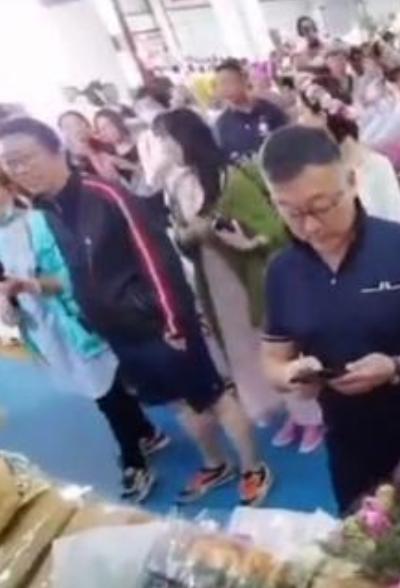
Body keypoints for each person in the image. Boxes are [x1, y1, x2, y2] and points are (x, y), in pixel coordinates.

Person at [0, 117, 273, 507]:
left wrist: (174, 321)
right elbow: (81, 272)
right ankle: (216, 464)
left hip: (161, 324)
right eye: (10, 163)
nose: (20, 169)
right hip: (119, 332)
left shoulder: (105, 195)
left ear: (57, 149)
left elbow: (155, 259)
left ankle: (253, 467)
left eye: (26, 157)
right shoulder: (48, 208)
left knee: (212, 396)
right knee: (175, 403)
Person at [259, 125, 400, 510]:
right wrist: (293, 375)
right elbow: (273, 360)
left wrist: (397, 366)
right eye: (291, 213)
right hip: (348, 438)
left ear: (351, 182)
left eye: (321, 207)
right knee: (371, 554)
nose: (309, 226)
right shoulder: (282, 271)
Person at [0, 171, 168, 502]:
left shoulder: (40, 222)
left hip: (76, 318)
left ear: (8, 187)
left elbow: (71, 275)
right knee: (101, 386)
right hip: (41, 329)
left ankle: (133, 461)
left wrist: (29, 285)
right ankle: (147, 431)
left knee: (103, 389)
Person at [151, 108, 290, 427]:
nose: (165, 150)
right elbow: (180, 236)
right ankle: (266, 406)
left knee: (270, 338)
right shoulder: (176, 185)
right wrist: (189, 235)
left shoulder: (229, 177)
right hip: (211, 278)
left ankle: (303, 413)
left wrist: (236, 235)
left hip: (248, 272)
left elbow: (271, 228)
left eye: (167, 140)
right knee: (237, 345)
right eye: (160, 142)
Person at [301, 78, 400, 225]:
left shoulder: (376, 166)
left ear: (322, 117)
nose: (300, 121)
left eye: (303, 113)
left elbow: (398, 224)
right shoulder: (319, 170)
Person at [214, 59, 289, 161]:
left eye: (228, 82)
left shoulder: (269, 109)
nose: (224, 88)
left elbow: (289, 137)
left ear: (243, 80)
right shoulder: (222, 125)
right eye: (220, 84)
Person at [57, 111, 121, 183]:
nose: (75, 129)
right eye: (68, 127)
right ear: (63, 132)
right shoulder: (68, 163)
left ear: (86, 124)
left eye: (77, 123)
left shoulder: (104, 144)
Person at [94, 108, 144, 187]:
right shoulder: (108, 154)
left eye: (108, 125)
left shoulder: (140, 140)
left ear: (117, 122)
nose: (107, 131)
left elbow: (154, 174)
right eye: (102, 129)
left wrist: (130, 166)